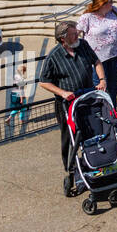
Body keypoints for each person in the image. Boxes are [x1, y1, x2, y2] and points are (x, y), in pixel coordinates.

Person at [37, 20, 106, 168]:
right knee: (69, 137)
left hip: (88, 98)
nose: (77, 36)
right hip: (67, 104)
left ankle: (93, 160)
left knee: (92, 131)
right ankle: (71, 167)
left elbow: (97, 62)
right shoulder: (54, 57)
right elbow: (43, 82)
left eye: (77, 33)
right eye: (73, 34)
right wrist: (62, 93)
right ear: (63, 38)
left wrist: (102, 80)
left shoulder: (83, 45)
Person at [76, 0, 117, 108]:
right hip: (97, 60)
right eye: (109, 2)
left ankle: (112, 112)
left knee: (113, 87)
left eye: (112, 1)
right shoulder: (86, 17)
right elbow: (75, 35)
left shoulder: (114, 11)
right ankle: (101, 115)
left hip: (116, 55)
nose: (112, 3)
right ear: (101, 4)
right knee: (100, 89)